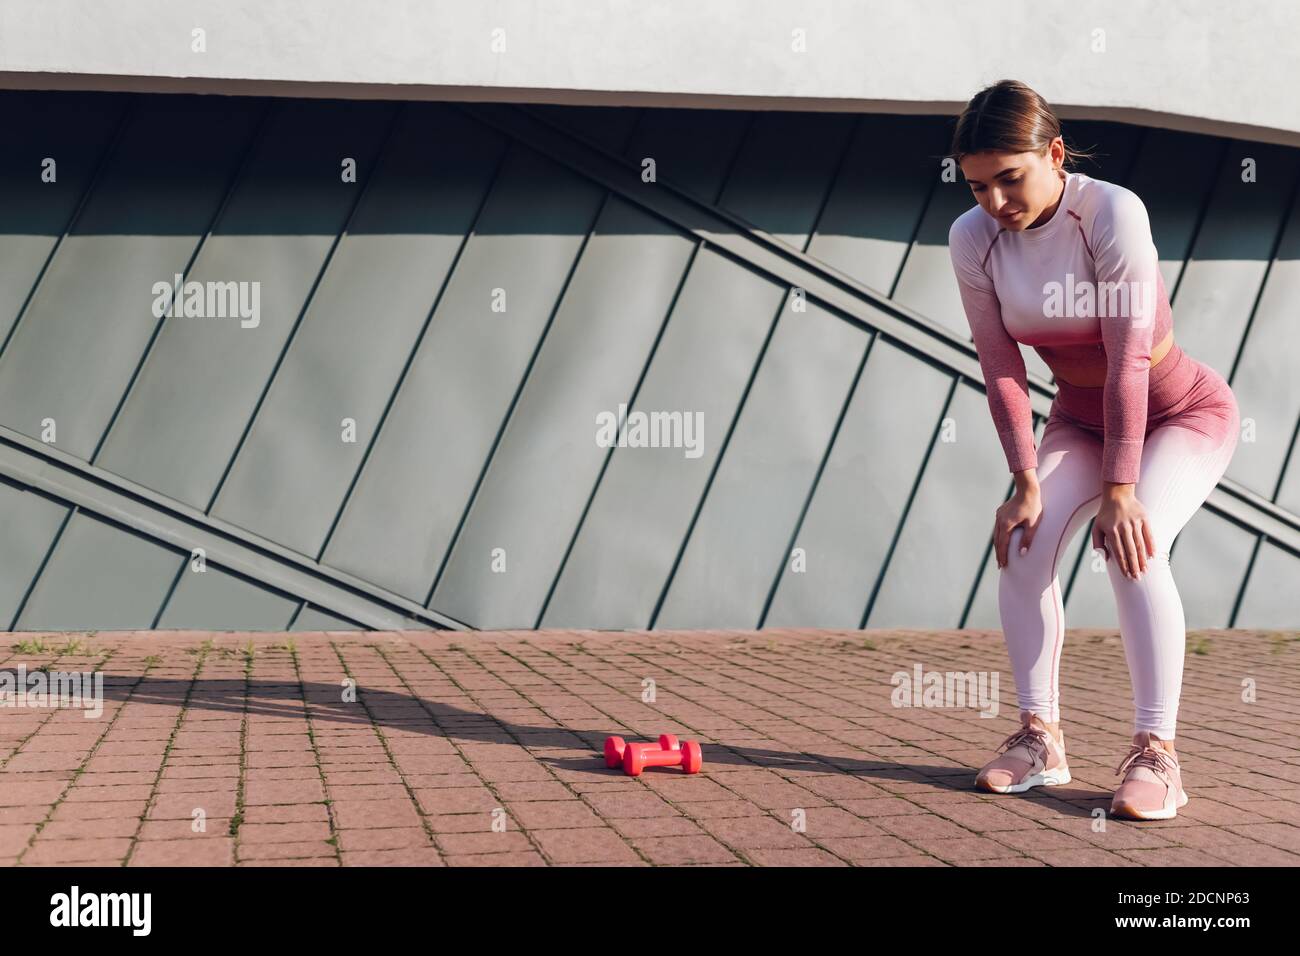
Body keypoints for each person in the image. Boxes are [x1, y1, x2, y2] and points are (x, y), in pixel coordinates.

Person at [946, 79, 1240, 821]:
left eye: (1009, 178)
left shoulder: (1110, 211)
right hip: (1079, 420)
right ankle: (1039, 737)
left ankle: (1157, 753)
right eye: (978, 185)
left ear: (1054, 153)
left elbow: (1129, 359)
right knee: (1023, 539)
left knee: (1130, 542)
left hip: (1181, 413)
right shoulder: (972, 239)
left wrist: (1119, 489)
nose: (994, 203)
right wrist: (1022, 479)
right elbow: (1002, 367)